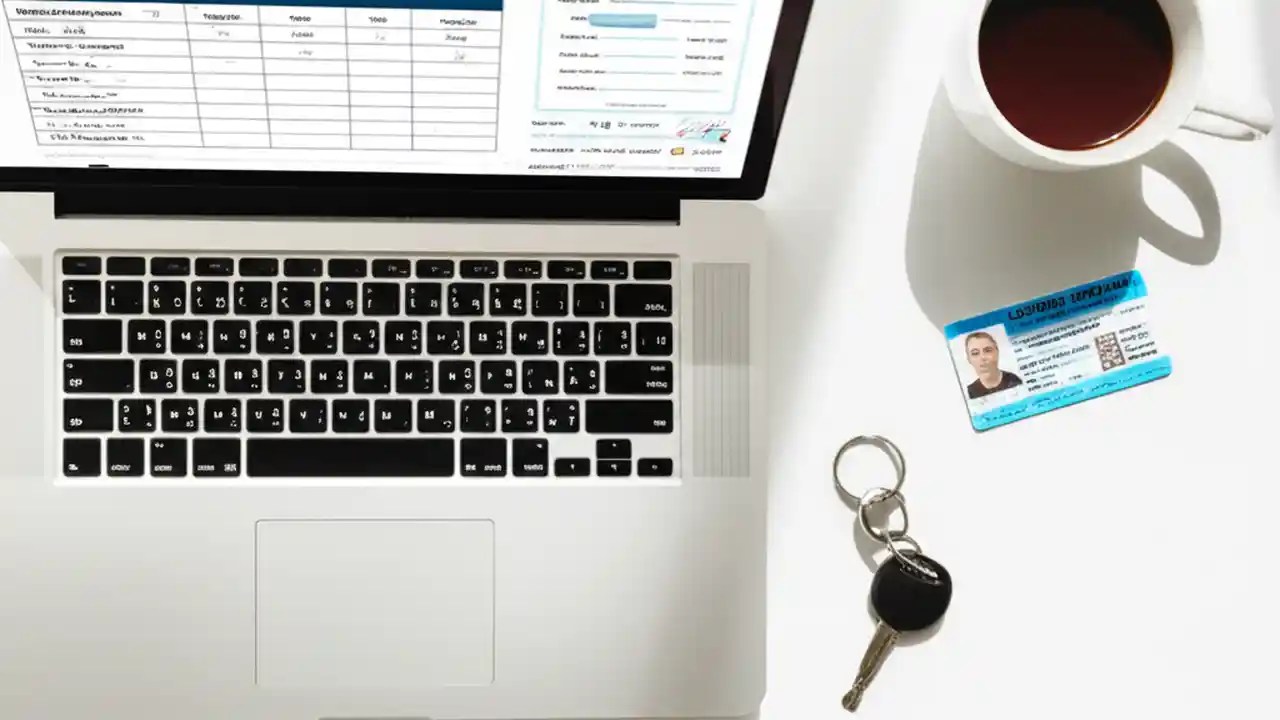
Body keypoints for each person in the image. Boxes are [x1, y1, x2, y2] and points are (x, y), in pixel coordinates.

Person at [964, 331, 1023, 399]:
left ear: (997, 352)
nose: (983, 357)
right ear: (969, 359)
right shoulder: (971, 391)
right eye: (975, 353)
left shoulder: (1013, 380)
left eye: (988, 350)